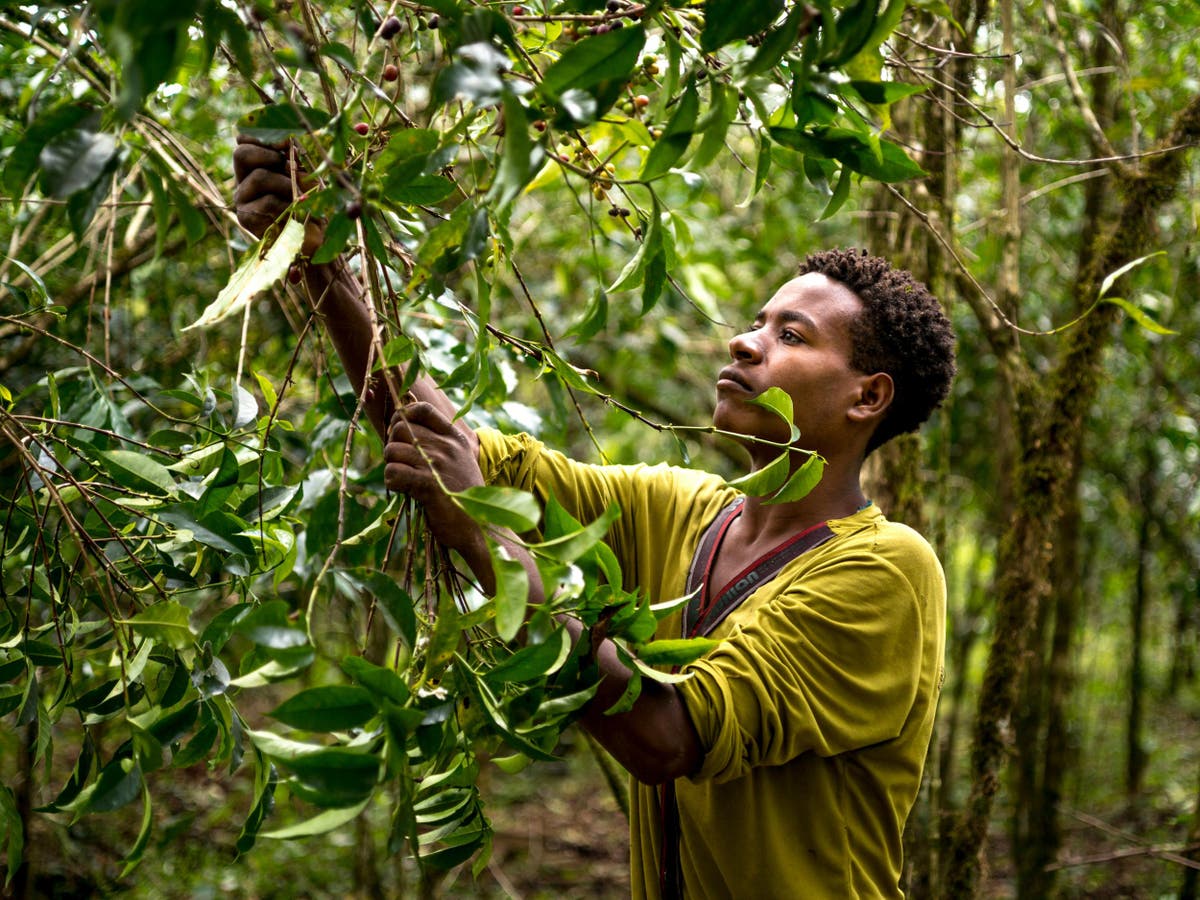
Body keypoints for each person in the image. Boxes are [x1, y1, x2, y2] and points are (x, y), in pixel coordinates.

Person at [233, 135, 956, 899]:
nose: (744, 342)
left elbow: (667, 735)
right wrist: (323, 261)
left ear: (866, 398)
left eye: (790, 336)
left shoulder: (886, 572)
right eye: (758, 320)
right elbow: (448, 449)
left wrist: (482, 534)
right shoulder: (678, 511)